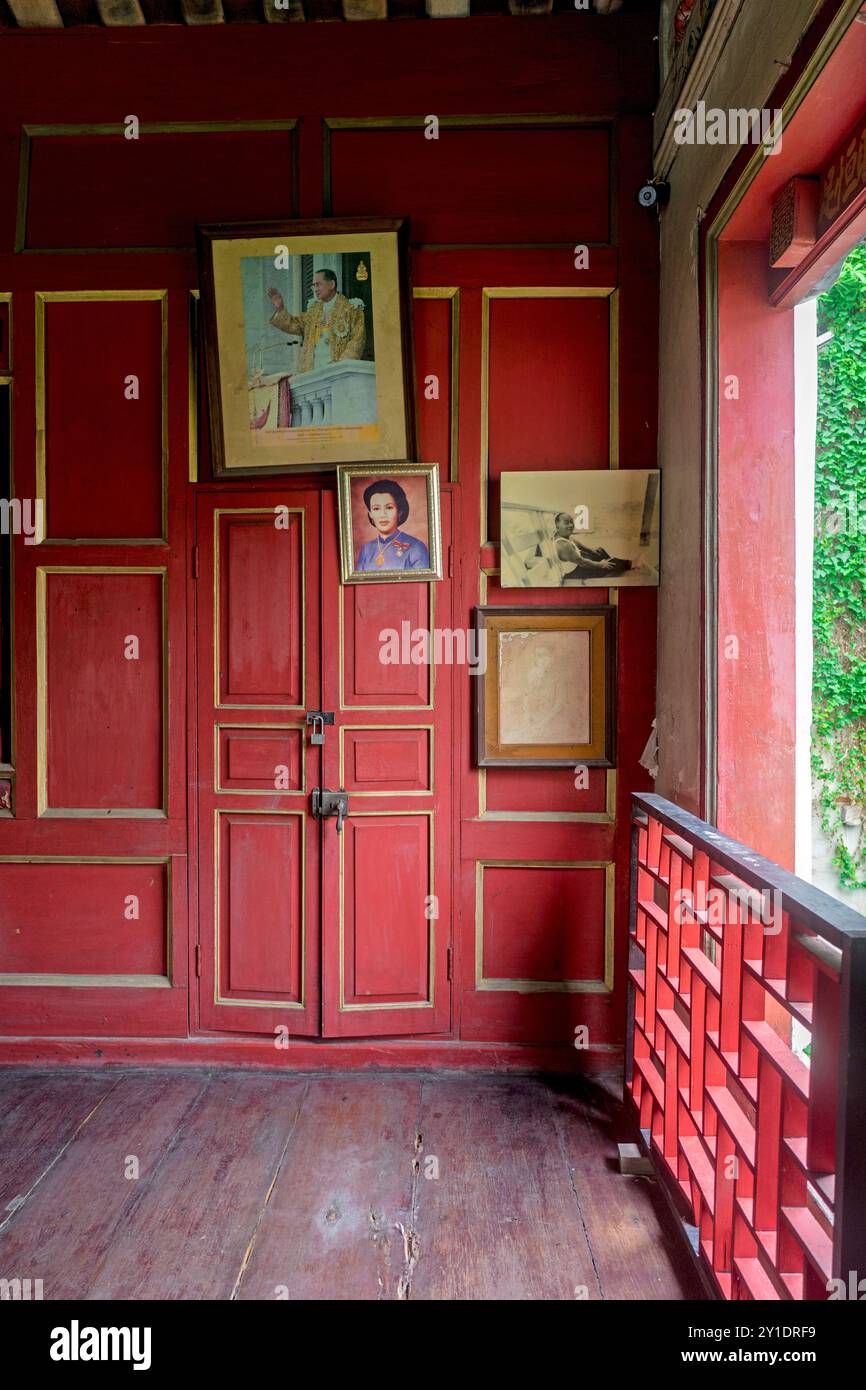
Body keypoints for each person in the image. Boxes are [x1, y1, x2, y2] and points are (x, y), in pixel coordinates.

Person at [266, 269, 366, 373]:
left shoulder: (351, 309)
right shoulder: (313, 311)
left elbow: (356, 342)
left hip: (337, 374)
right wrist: (280, 309)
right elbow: (294, 325)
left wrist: (339, 368)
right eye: (314, 286)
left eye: (318, 284)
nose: (315, 289)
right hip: (312, 373)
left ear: (332, 284)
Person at [355, 480, 430, 572]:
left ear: (400, 512)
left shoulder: (416, 547)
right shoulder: (366, 549)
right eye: (376, 508)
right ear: (370, 514)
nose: (382, 514)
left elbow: (421, 585)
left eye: (389, 507)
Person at [553, 511, 632, 583]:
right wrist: (601, 564)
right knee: (614, 563)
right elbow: (582, 562)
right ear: (557, 525)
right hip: (576, 573)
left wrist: (592, 551)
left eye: (571, 521)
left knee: (599, 550)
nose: (570, 525)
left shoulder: (562, 535)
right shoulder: (563, 545)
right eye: (566, 523)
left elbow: (578, 544)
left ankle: (608, 565)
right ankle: (623, 565)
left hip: (579, 563)